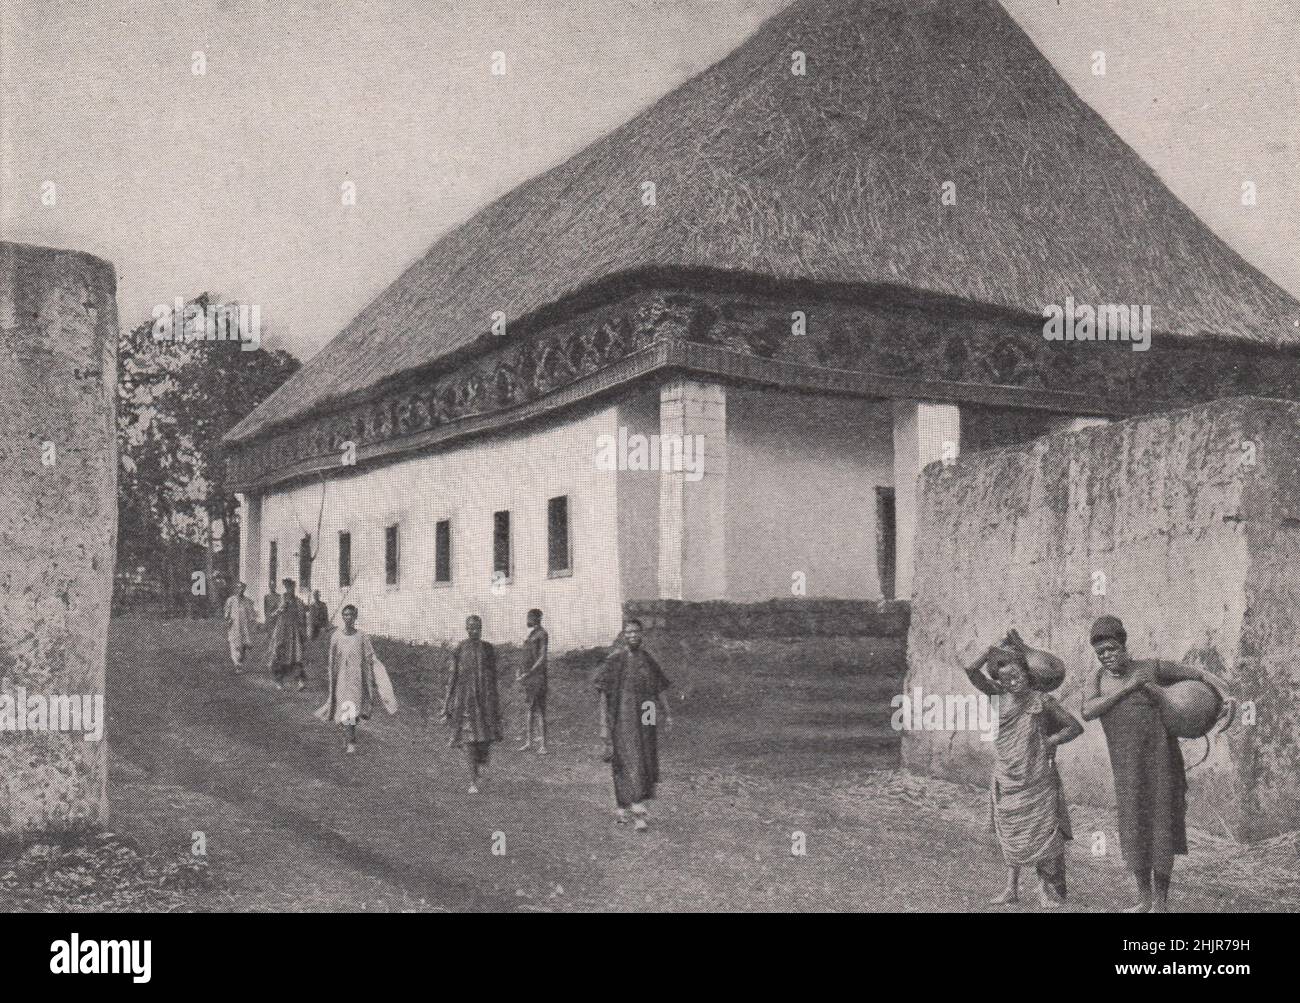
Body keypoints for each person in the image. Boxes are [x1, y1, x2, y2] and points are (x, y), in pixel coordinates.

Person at [1081, 615, 1235, 913]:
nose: (1107, 656)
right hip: (1126, 769)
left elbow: (1200, 674)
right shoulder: (1098, 679)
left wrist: (1226, 696)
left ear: (1124, 645)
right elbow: (1087, 710)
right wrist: (1127, 689)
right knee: (1133, 830)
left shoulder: (1152, 668)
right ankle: (1144, 901)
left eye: (1111, 648)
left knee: (1162, 828)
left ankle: (1161, 905)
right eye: (1101, 653)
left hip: (1162, 763)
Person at [963, 639, 1082, 908]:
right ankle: (1011, 889)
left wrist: (1050, 742)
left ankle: (1044, 890)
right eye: (1004, 679)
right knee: (1010, 831)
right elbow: (971, 670)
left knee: (1041, 831)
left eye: (1016, 676)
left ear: (1028, 674)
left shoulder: (1042, 701)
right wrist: (991, 649)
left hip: (1036, 776)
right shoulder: (998, 696)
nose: (1011, 683)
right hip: (1006, 774)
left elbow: (1074, 727)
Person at [593, 619, 672, 831]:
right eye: (629, 632)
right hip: (623, 715)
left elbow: (659, 688)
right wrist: (603, 724)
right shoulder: (615, 660)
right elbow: (603, 693)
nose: (633, 636)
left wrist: (667, 713)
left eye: (636, 632)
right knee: (628, 758)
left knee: (644, 757)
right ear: (623, 635)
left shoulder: (647, 659)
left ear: (641, 634)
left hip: (647, 713)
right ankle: (637, 810)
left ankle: (624, 805)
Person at [315, 604, 397, 753]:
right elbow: (332, 659)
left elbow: (369, 657)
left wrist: (374, 674)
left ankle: (351, 741)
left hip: (355, 679)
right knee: (344, 709)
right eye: (345, 615)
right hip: (341, 678)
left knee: (350, 708)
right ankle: (348, 736)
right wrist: (332, 678)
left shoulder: (362, 637)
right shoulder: (336, 636)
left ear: (355, 617)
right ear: (342, 617)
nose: (348, 618)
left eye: (351, 615)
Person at [440, 615, 502, 794]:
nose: (474, 630)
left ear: (481, 628)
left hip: (485, 702)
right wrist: (446, 704)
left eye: (478, 627)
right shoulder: (460, 649)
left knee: (484, 742)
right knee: (469, 741)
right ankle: (472, 781)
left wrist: (496, 704)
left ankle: (479, 764)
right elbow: (452, 678)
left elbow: (493, 678)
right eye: (471, 627)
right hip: (465, 702)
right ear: (466, 628)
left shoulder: (488, 649)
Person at [516, 609, 549, 754]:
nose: (527, 620)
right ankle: (529, 742)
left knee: (540, 710)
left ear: (537, 618)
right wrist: (520, 671)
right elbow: (525, 655)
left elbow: (542, 657)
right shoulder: (531, 635)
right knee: (529, 709)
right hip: (528, 678)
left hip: (538, 677)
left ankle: (543, 745)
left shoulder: (542, 634)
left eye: (529, 617)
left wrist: (530, 672)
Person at [266, 578, 308, 691]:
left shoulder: (298, 601)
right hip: (282, 630)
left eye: (292, 587)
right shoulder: (281, 598)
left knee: (297, 656)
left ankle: (300, 681)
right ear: (285, 587)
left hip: (294, 631)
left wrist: (305, 610)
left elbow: (302, 615)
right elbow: (272, 614)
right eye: (288, 587)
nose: (290, 589)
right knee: (280, 654)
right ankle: (279, 681)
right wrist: (280, 609)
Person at [223, 582, 257, 674]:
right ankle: (237, 665)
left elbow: (251, 614)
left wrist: (253, 621)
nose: (240, 590)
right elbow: (227, 612)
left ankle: (240, 662)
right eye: (238, 588)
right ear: (235, 589)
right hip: (234, 625)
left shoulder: (247, 601)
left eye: (242, 589)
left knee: (243, 646)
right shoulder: (231, 600)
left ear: (244, 590)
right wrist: (228, 618)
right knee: (234, 645)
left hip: (244, 626)